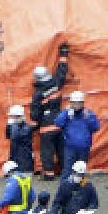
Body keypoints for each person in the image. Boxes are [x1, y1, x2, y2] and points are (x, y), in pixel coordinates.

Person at [29, 45, 71, 180]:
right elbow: (62, 71)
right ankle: (66, 171)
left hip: (46, 126)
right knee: (61, 149)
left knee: (47, 151)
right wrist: (63, 54)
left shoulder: (38, 94)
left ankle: (49, 174)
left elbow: (35, 114)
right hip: (59, 122)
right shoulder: (56, 83)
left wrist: (33, 126)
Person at [55, 91, 100, 178]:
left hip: (84, 148)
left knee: (81, 171)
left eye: (79, 102)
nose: (77, 105)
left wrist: (89, 118)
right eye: (74, 102)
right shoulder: (67, 114)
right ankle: (65, 189)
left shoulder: (88, 113)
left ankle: (80, 190)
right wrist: (66, 113)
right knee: (67, 171)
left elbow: (96, 127)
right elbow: (58, 123)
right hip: (69, 148)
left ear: (82, 103)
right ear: (71, 103)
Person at [6, 104, 35, 176]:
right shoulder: (15, 126)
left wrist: (12, 125)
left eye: (13, 117)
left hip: (25, 161)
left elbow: (15, 136)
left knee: (25, 184)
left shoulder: (26, 128)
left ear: (20, 117)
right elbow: (8, 135)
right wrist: (9, 126)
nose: (12, 119)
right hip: (15, 158)